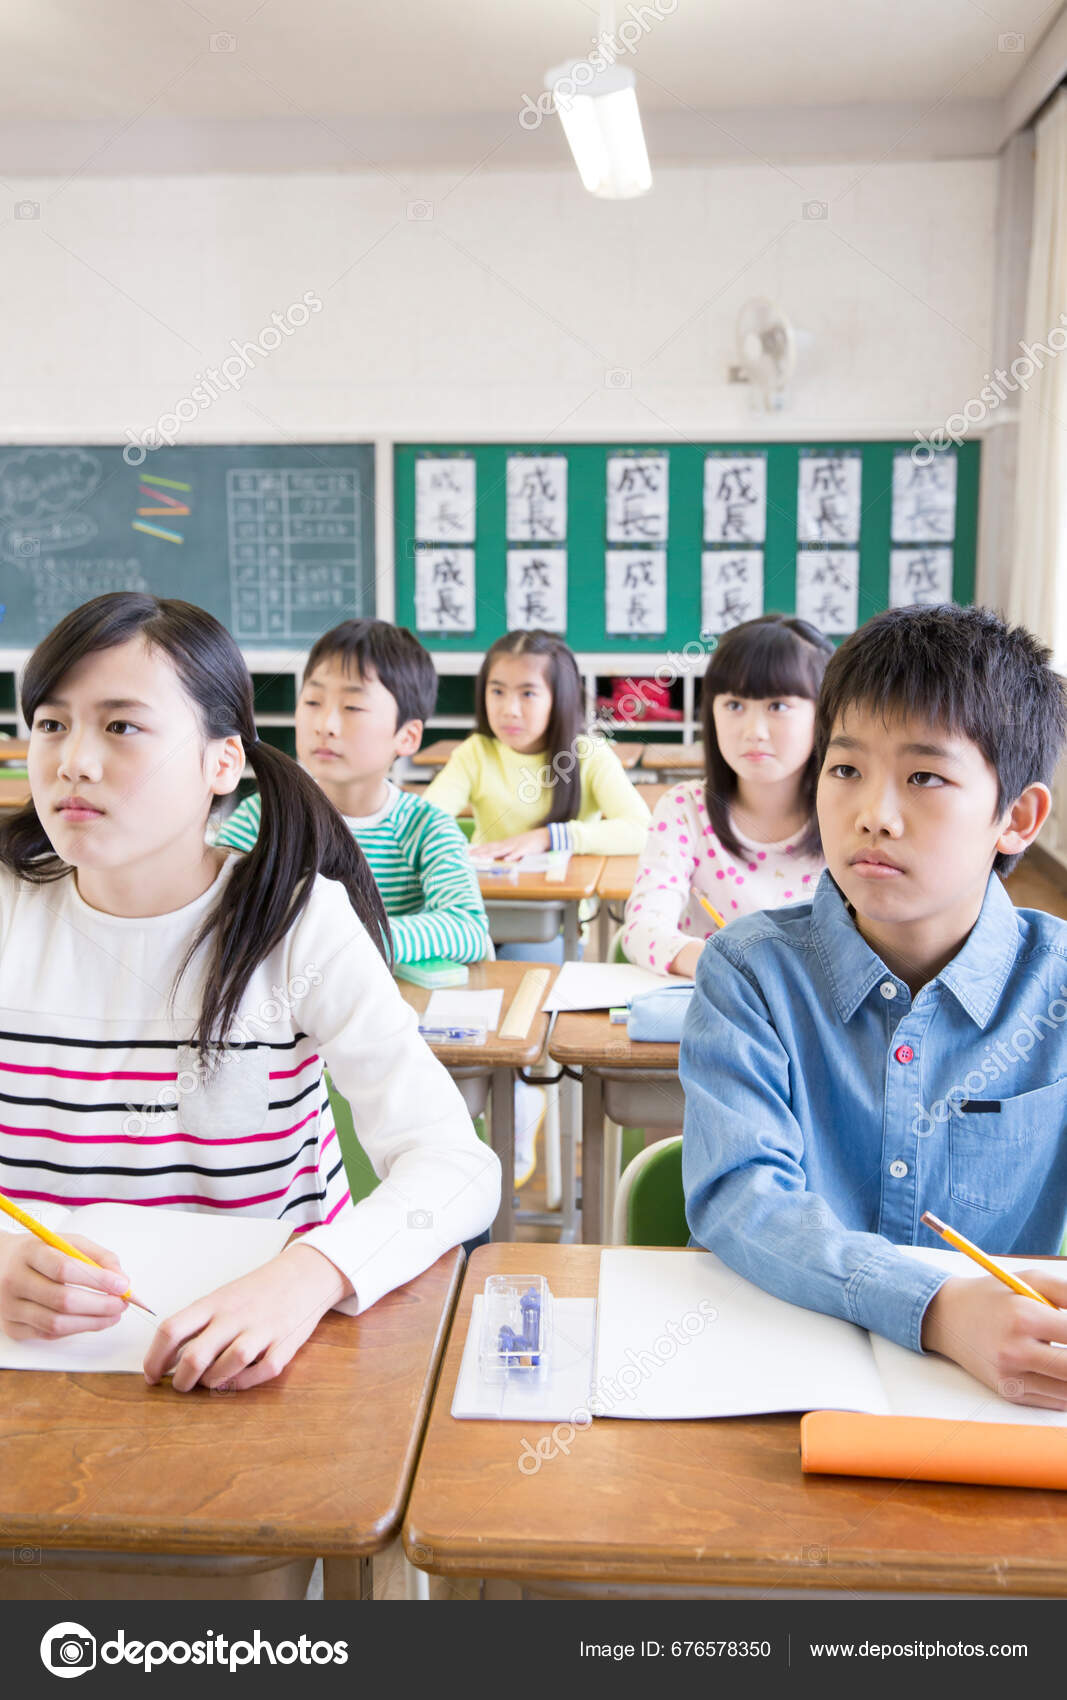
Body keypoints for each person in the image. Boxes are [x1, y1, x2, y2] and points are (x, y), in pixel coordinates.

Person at [0, 594, 499, 1391]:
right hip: (34, 1375)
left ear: (222, 761)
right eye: (52, 724)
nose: (73, 762)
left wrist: (308, 1276)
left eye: (121, 726)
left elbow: (456, 1166)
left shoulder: (296, 923)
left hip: (252, 1373)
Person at [681, 603, 1067, 1409]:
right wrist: (935, 1307)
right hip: (777, 1377)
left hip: (1001, 1399)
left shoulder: (1056, 988)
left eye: (924, 776)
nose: (871, 816)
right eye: (845, 769)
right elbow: (741, 1196)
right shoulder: (751, 971)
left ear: (1016, 817)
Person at [216, 618, 489, 966]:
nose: (325, 725)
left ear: (406, 736)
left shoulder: (424, 828)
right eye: (313, 701)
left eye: (353, 708)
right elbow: (213, 910)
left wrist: (344, 944)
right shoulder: (264, 816)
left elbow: (468, 928)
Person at [623, 615, 832, 976]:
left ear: (823, 714)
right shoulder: (685, 808)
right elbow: (643, 931)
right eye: (734, 705)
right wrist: (732, 968)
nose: (754, 731)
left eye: (778, 705)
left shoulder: (847, 816)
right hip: (709, 1008)